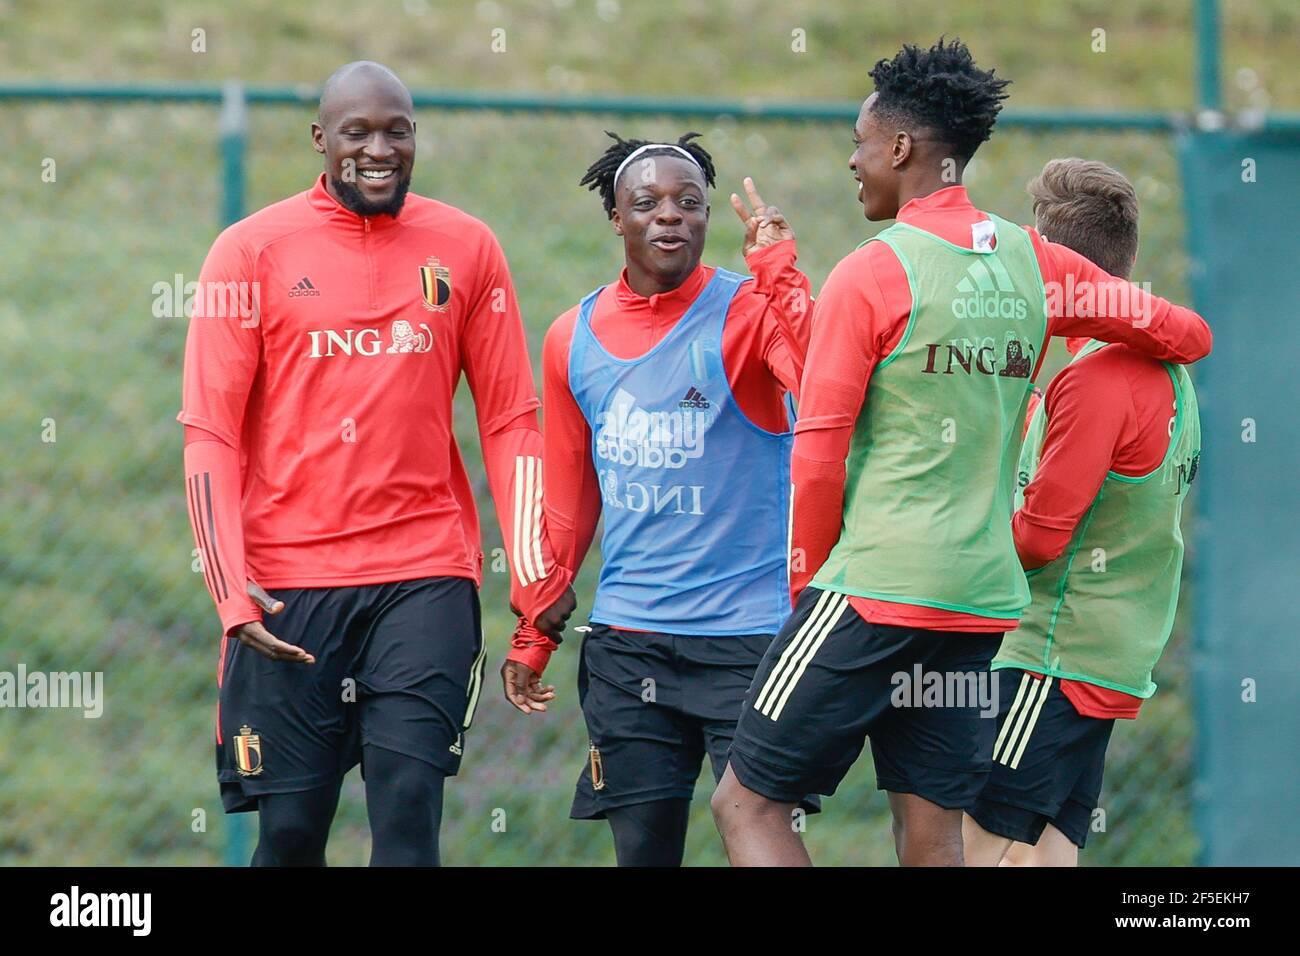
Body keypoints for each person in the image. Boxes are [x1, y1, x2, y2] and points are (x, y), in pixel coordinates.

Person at [711, 37, 1213, 866]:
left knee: (747, 804)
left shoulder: (872, 273)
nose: (852, 161)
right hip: (979, 606)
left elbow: (818, 455)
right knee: (933, 832)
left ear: (903, 149)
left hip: (878, 585)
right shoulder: (1031, 260)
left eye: (860, 144)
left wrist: (811, 588)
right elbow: (1183, 332)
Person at [179, 61, 574, 866]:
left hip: (423, 573)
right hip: (289, 589)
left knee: (406, 813)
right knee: (288, 837)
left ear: (416, 136)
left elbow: (511, 421)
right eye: (356, 133)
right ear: (320, 141)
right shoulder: (247, 250)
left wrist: (535, 583)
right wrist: (230, 590)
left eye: (397, 130)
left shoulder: (467, 247)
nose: (378, 149)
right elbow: (209, 435)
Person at [501, 131, 813, 865]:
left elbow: (826, 384)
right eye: (648, 203)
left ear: (708, 219)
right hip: (627, 644)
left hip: (750, 644)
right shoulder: (570, 337)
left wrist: (779, 271)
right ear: (616, 217)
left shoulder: (749, 311)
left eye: (689, 203)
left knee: (759, 827)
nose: (669, 216)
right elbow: (569, 507)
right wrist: (534, 633)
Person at [963, 158, 1202, 866]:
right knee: (1047, 852)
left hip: (1049, 656)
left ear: (1057, 269)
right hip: (1107, 655)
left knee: (978, 848)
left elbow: (1040, 539)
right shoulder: (1168, 369)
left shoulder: (1096, 378)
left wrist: (948, 562)